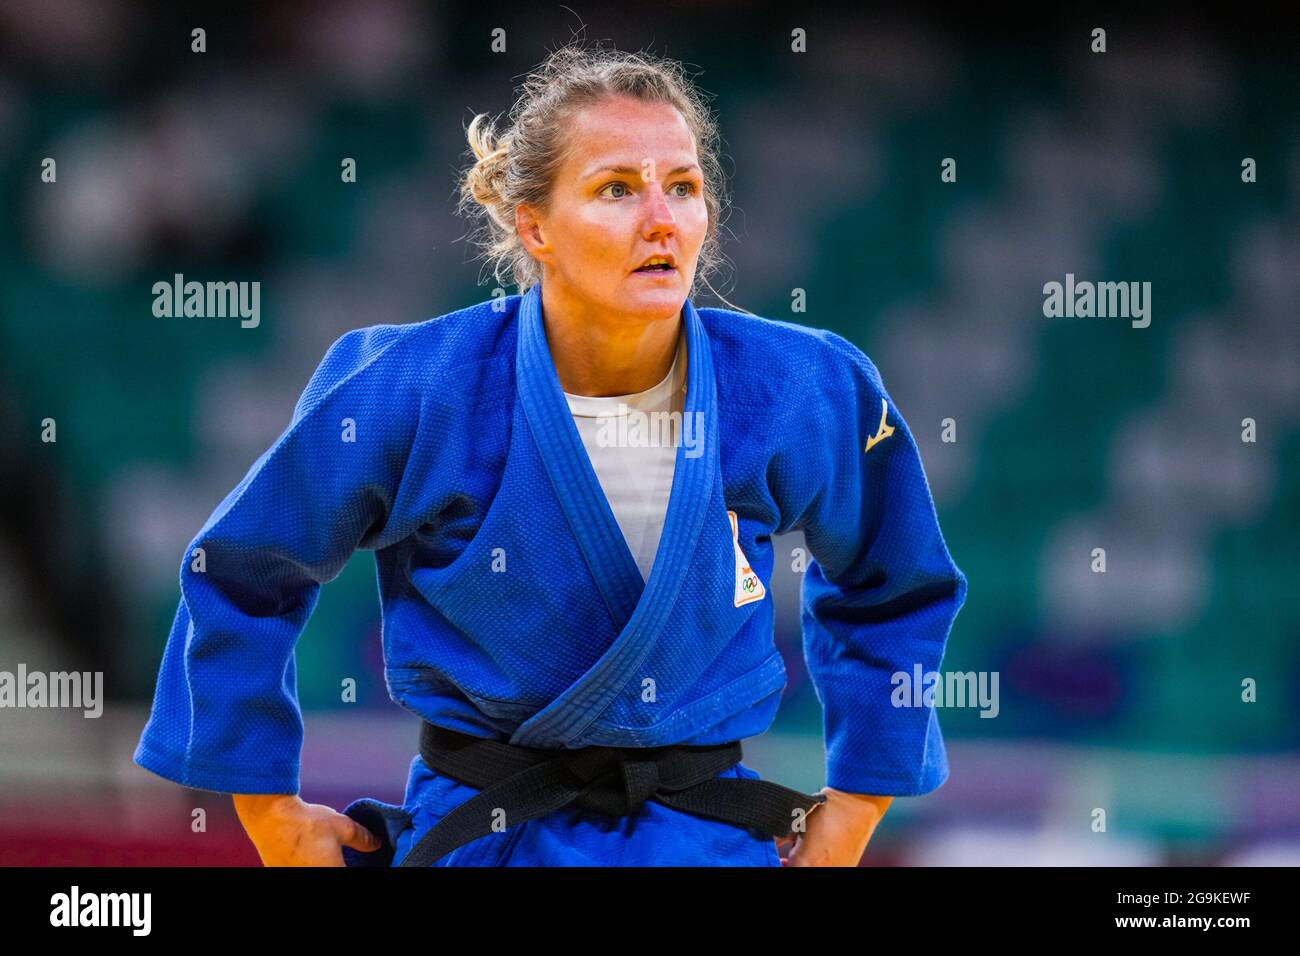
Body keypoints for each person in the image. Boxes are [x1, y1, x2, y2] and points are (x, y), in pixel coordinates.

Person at [133, 42, 967, 867]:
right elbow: (241, 570)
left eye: (683, 187)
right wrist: (268, 809)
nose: (661, 218)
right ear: (532, 225)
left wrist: (858, 804)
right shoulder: (417, 385)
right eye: (616, 190)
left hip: (706, 839)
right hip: (486, 836)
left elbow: (896, 584)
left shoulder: (797, 387)